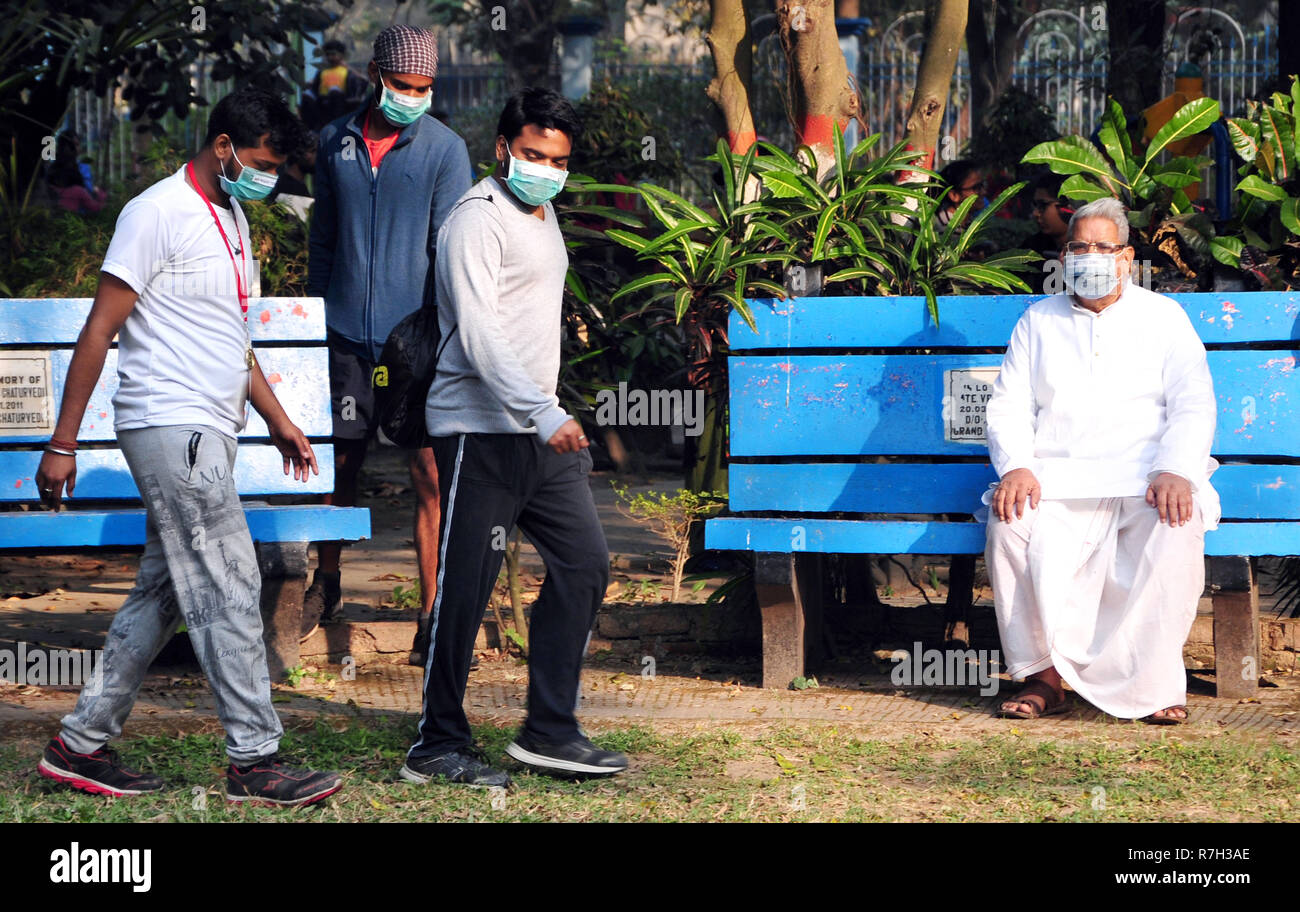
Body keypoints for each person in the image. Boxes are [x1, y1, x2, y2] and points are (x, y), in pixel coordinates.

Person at [33, 86, 343, 806]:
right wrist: (63, 440)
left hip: (213, 428)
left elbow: (234, 341)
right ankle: (255, 761)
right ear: (224, 147)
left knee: (163, 591)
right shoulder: (155, 212)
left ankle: (78, 746)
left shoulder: (232, 216)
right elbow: (99, 329)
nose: (270, 177)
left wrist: (276, 417)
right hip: (171, 425)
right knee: (232, 583)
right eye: (263, 161)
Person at [401, 87, 627, 788]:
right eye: (531, 154)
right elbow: (477, 335)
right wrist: (544, 413)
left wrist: (547, 415)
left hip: (539, 431)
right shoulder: (476, 220)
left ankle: (549, 730)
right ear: (501, 149)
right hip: (479, 430)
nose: (544, 168)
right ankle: (436, 743)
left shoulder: (544, 210)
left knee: (585, 566)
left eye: (557, 159)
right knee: (463, 590)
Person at [983, 197, 1218, 725]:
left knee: (1178, 526)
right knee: (1010, 525)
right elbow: (1009, 404)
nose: (1089, 256)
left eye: (1102, 247)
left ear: (1126, 256)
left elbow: (1193, 401)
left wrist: (1177, 468)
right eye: (1079, 247)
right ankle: (1044, 679)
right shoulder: (1038, 320)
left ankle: (1155, 684)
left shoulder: (1164, 316)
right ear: (1064, 256)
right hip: (1058, 479)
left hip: (1146, 479)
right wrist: (1017, 465)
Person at [306, 25, 473, 655]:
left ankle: (431, 614)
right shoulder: (334, 142)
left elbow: (453, 249)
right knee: (337, 466)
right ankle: (326, 585)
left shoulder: (445, 150)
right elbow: (322, 239)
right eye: (403, 85)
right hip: (345, 335)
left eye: (424, 87)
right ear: (376, 74)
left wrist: (445, 336)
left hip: (417, 343)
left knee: (428, 474)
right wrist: (317, 322)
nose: (413, 96)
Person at [301, 39, 370, 131]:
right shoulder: (322, 71)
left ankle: (336, 126)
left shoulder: (347, 72)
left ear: (341, 55)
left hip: (341, 105)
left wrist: (350, 69)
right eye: (328, 55)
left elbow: (363, 84)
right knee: (306, 95)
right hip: (322, 104)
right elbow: (315, 88)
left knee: (334, 91)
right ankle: (309, 129)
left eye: (333, 54)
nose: (330, 57)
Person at [1023, 171, 1075, 293]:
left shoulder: (1091, 251)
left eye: (1043, 205)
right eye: (1035, 205)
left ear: (1067, 206)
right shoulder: (1031, 249)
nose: (1036, 213)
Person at [269, 130, 317, 222]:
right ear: (305, 154)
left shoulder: (294, 186)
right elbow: (295, 229)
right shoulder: (291, 190)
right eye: (315, 152)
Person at [935, 159, 985, 229]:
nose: (983, 192)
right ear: (954, 195)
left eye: (983, 185)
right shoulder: (945, 231)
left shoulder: (968, 223)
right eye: (976, 187)